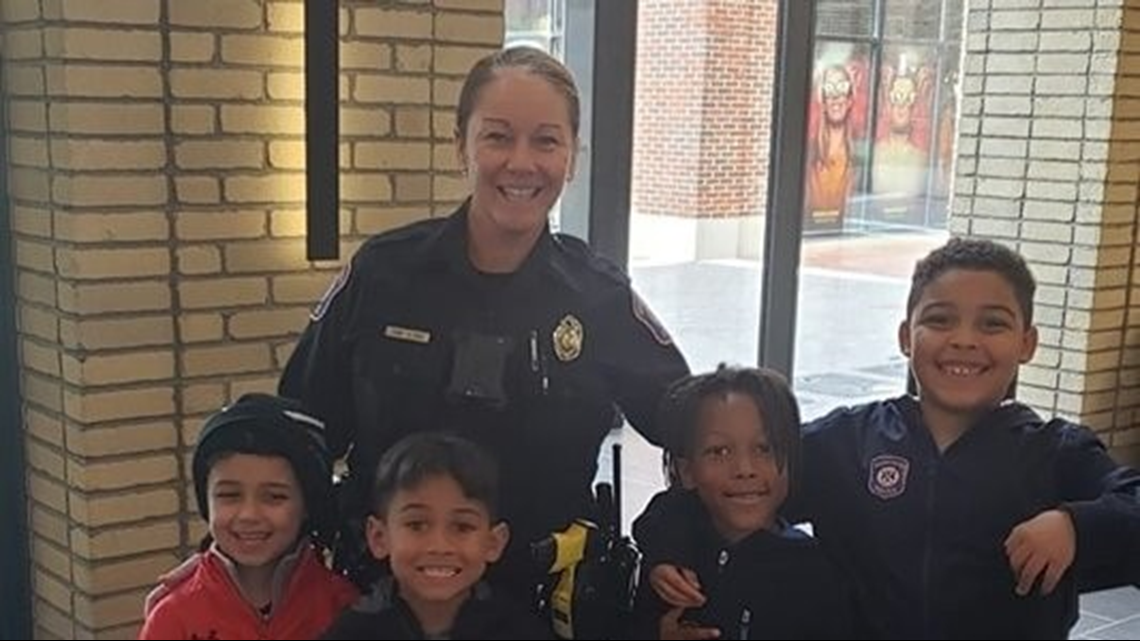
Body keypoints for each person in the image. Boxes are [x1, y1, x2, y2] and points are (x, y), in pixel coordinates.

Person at [279, 46, 689, 600]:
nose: (522, 163)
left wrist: (676, 546)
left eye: (546, 140)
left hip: (539, 607)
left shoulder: (599, 298)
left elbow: (692, 425)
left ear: (573, 158)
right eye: (497, 136)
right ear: (460, 148)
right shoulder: (382, 276)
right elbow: (298, 431)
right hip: (384, 605)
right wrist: (243, 563)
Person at [637, 238, 1140, 639]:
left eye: (993, 324)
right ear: (905, 336)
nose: (964, 339)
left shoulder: (1053, 452)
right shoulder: (848, 443)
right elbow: (726, 491)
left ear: (1027, 343)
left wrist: (1075, 523)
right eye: (940, 320)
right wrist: (668, 548)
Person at [630, 366, 853, 640]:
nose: (745, 469)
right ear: (686, 471)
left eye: (764, 448)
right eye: (719, 451)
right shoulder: (671, 555)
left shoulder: (813, 572)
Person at [138, 394, 357, 639]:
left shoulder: (344, 609)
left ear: (308, 505)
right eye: (229, 495)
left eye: (274, 497)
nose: (249, 514)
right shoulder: (173, 617)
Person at [320, 432, 551, 639]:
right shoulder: (351, 631)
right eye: (417, 525)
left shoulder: (520, 630)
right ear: (379, 537)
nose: (439, 546)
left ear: (493, 543)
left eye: (462, 527)